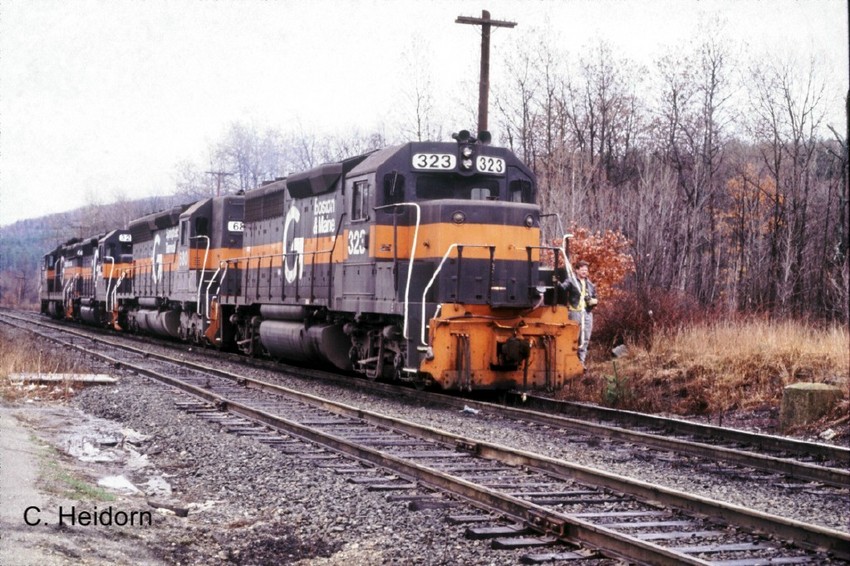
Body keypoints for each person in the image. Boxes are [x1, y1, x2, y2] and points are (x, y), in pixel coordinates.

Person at [560, 260, 598, 366]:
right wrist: (556, 282)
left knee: (585, 338)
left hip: (587, 313)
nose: (585, 272)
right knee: (574, 337)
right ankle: (571, 362)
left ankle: (581, 363)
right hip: (575, 313)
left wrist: (593, 301)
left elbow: (596, 298)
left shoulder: (590, 284)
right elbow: (562, 288)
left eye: (586, 270)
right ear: (577, 270)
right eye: (582, 269)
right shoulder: (571, 281)